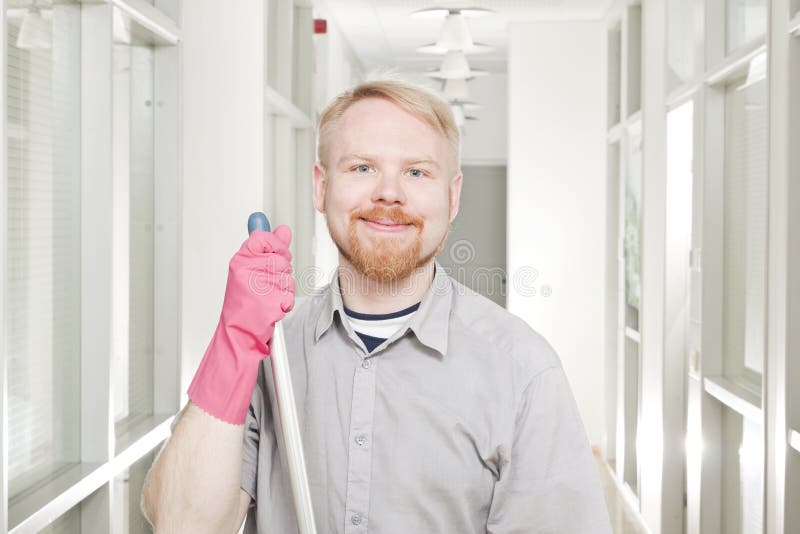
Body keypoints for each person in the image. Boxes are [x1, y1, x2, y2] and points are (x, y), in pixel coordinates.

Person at [142, 80, 611, 533]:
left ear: (452, 196)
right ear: (321, 188)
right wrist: (235, 343)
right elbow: (182, 524)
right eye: (362, 167)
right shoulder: (271, 352)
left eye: (417, 171)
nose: (389, 193)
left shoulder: (522, 372)